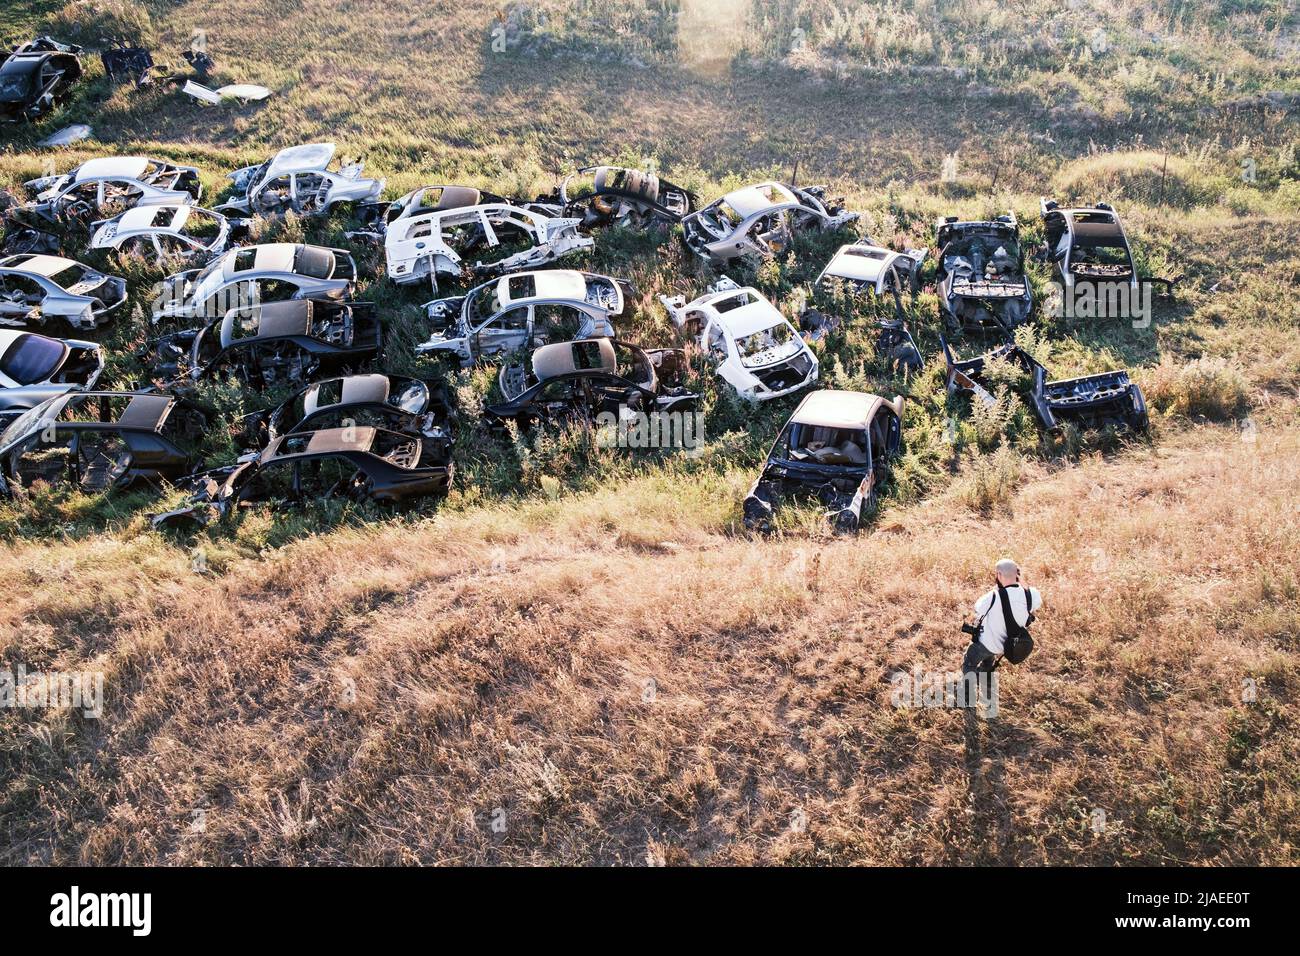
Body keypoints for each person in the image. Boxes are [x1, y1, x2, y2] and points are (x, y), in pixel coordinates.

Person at [963, 558, 1042, 682]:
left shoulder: (994, 596)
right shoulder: (1031, 594)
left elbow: (978, 608)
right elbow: (1035, 600)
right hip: (1006, 645)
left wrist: (996, 588)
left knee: (969, 663)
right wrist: (1020, 580)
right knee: (989, 659)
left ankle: (968, 687)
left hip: (986, 644)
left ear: (999, 575)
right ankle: (985, 676)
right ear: (1017, 575)